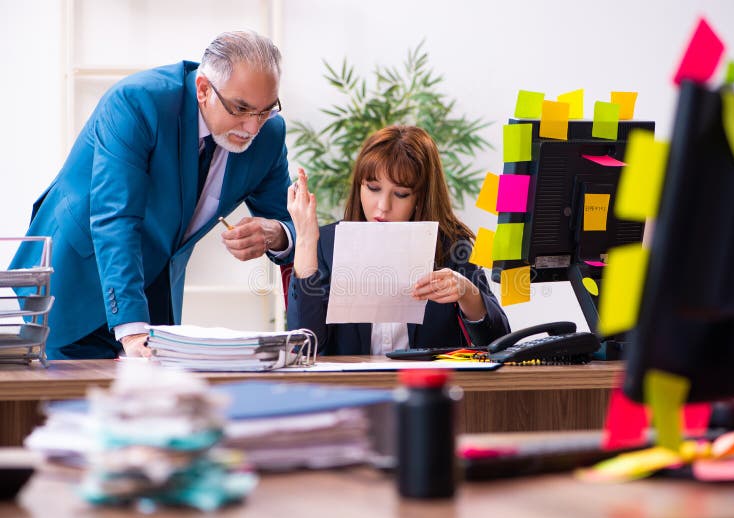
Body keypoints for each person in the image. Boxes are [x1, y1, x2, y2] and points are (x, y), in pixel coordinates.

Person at [11, 30, 295, 359]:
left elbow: (290, 221)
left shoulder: (270, 135)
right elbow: (115, 217)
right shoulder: (137, 102)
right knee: (61, 403)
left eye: (265, 110)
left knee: (155, 405)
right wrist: (131, 329)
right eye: (241, 109)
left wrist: (276, 234)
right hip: (74, 279)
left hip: (156, 288)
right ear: (203, 90)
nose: (252, 127)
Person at [286, 125, 510, 355]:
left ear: (421, 197)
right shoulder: (325, 244)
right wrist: (305, 240)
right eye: (373, 188)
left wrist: (466, 292)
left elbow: (499, 342)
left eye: (401, 194)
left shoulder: (452, 246)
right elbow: (303, 347)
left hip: (428, 387)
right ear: (359, 187)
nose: (383, 206)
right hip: (352, 388)